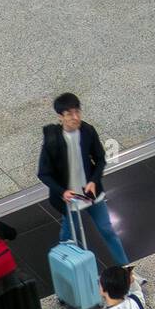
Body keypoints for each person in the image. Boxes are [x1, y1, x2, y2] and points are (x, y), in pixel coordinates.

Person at [37, 93, 129, 267]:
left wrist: (94, 180)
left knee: (107, 230)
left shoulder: (87, 131)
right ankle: (64, 267)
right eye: (70, 114)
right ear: (60, 117)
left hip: (90, 193)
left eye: (78, 111)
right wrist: (62, 191)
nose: (76, 117)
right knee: (68, 238)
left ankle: (125, 269)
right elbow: (43, 173)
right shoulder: (52, 140)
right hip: (70, 198)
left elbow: (100, 159)